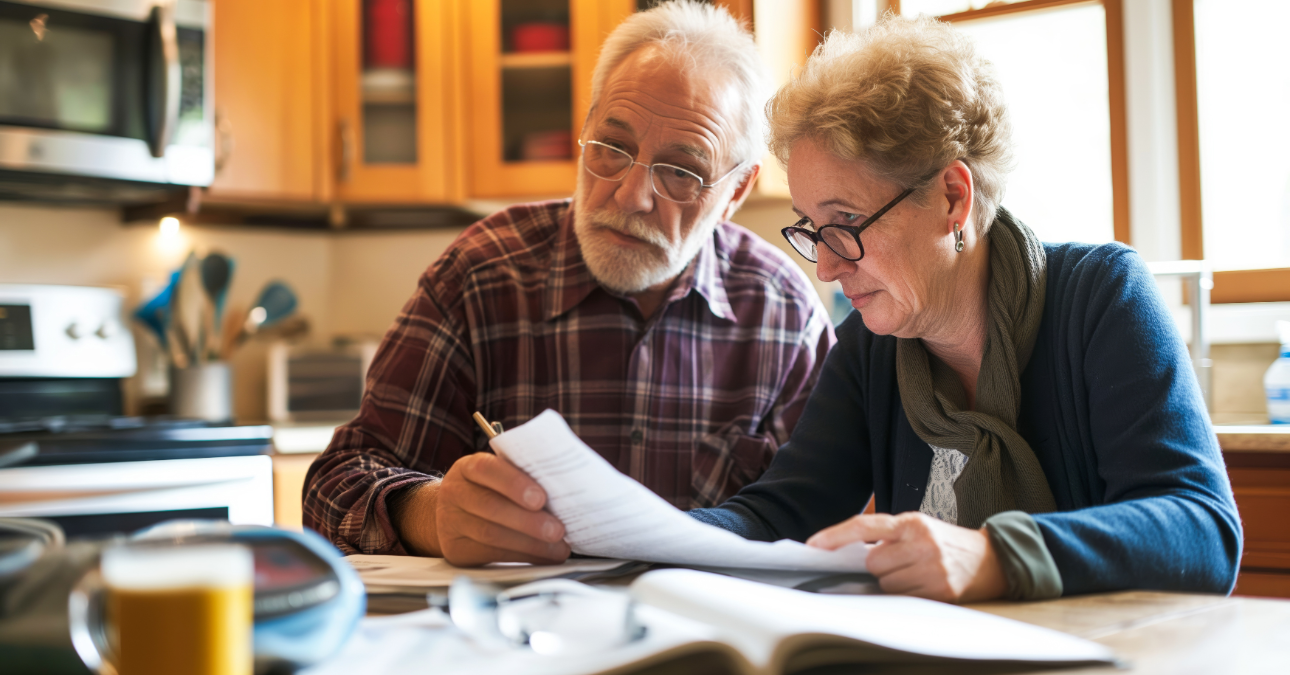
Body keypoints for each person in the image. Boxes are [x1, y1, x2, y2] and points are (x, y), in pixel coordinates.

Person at [690, 15, 1242, 602]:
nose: (825, 267)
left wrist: (994, 553)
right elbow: (778, 517)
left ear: (953, 197)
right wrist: (628, 538)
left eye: (847, 223)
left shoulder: (1100, 297)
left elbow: (1201, 530)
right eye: (813, 229)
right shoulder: (871, 347)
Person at [303, 1, 835, 566]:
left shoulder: (784, 316)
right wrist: (429, 513)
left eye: (682, 171)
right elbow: (332, 488)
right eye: (611, 149)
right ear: (583, 132)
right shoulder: (481, 276)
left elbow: (836, 519)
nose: (631, 196)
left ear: (736, 191)